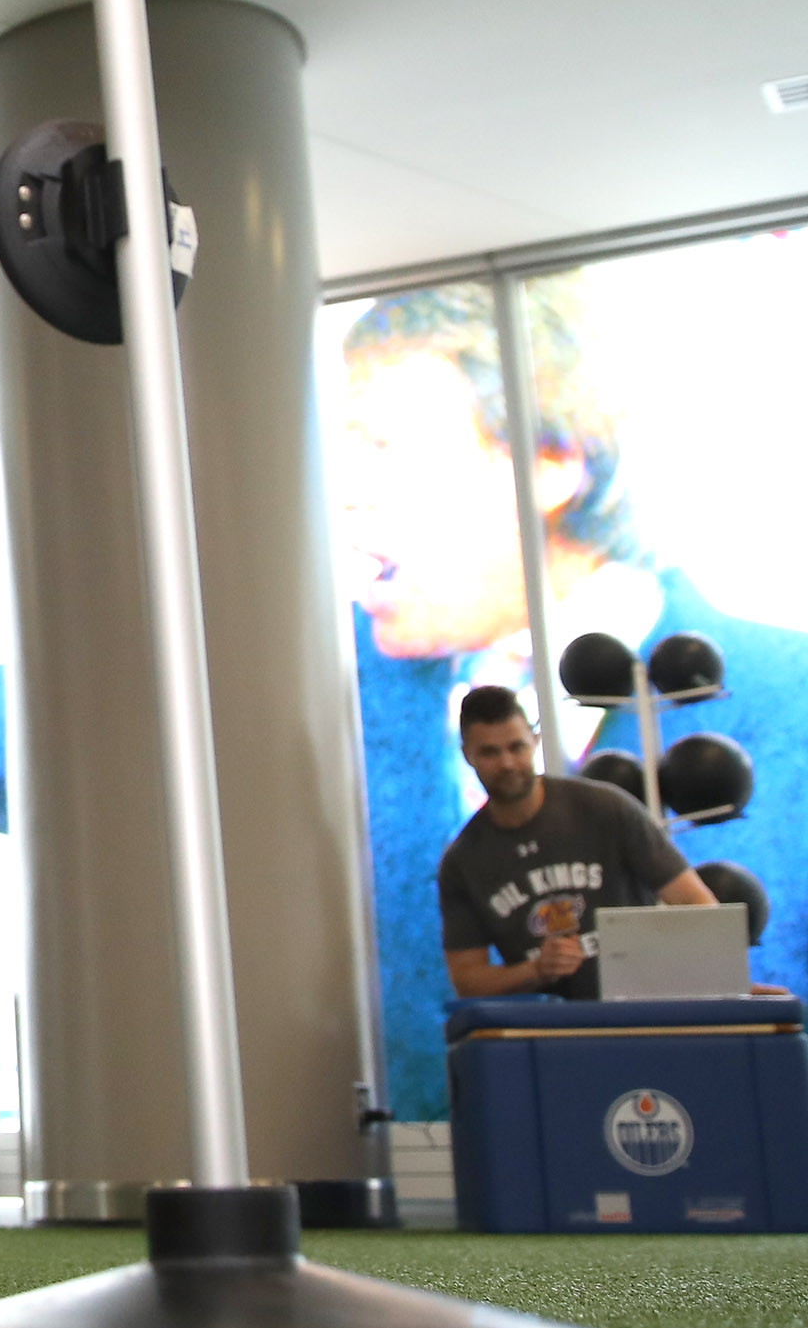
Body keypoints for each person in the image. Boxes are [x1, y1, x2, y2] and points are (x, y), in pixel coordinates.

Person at [341, 277, 808, 1113]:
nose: (347, 492)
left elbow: (700, 914)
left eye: (381, 447)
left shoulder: (789, 694)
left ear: (549, 463)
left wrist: (734, 988)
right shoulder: (320, 689)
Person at [438, 685, 722, 1000]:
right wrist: (536, 970)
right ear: (467, 755)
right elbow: (467, 979)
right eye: (490, 752)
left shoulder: (607, 810)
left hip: (643, 1009)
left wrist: (724, 986)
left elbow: (698, 907)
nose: (507, 763)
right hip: (551, 1022)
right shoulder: (463, 861)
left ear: (535, 741)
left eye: (516, 747)